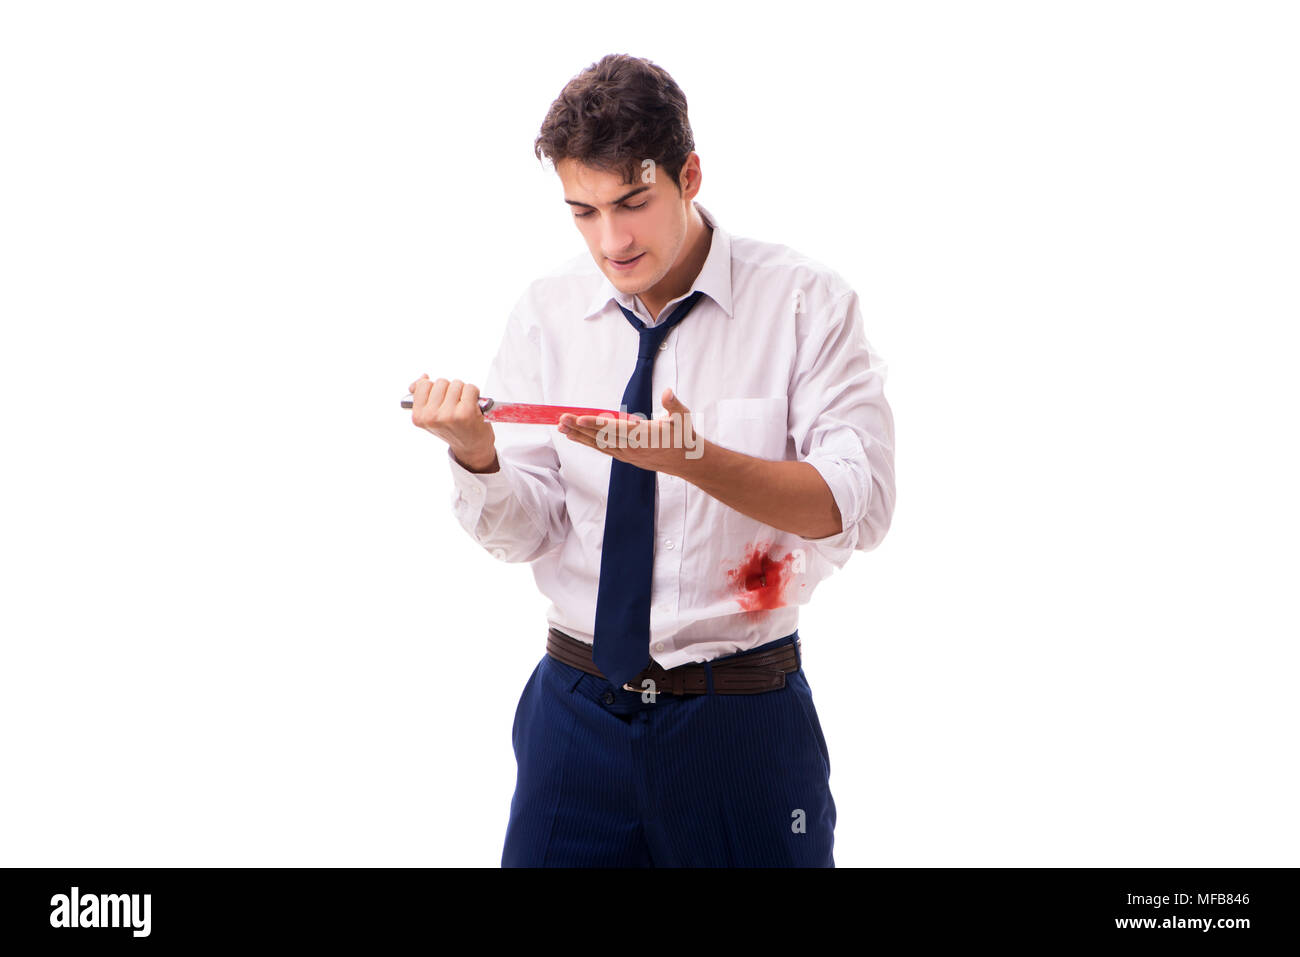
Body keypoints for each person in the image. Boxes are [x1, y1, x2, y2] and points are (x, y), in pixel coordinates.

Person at [405, 53, 895, 867]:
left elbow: (861, 505)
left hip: (741, 721)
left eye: (633, 202)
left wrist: (700, 461)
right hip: (575, 717)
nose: (612, 239)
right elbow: (525, 532)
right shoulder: (547, 314)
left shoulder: (806, 303)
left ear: (689, 174)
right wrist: (479, 455)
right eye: (584, 212)